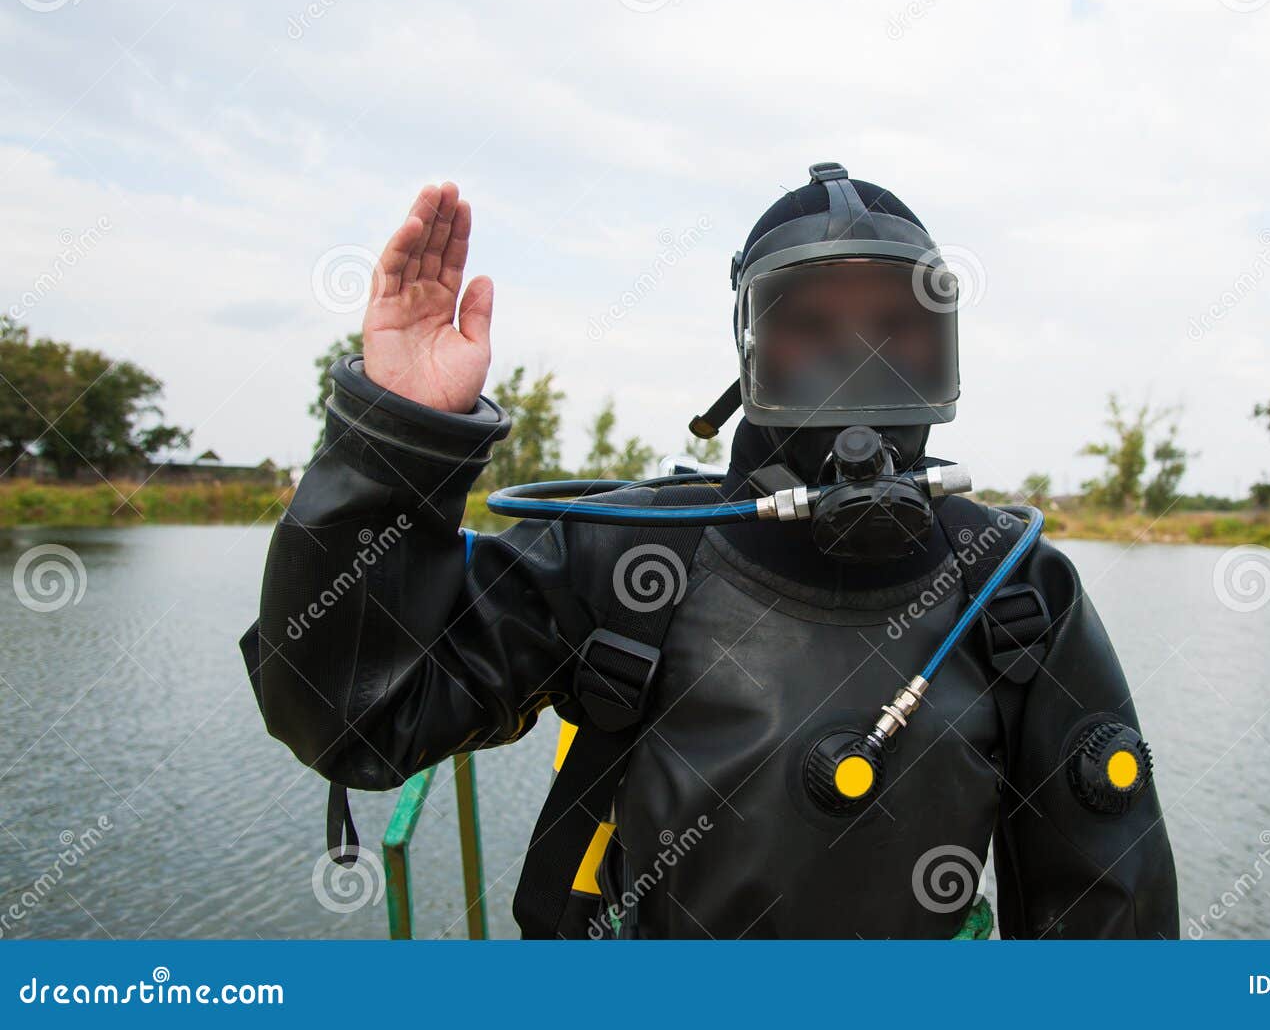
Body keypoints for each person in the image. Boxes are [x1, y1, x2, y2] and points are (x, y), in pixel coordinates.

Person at [240, 163, 1179, 939]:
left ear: (944, 356)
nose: (855, 367)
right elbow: (352, 718)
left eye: (895, 331)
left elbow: (1110, 912)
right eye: (811, 329)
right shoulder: (631, 558)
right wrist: (394, 436)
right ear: (750, 357)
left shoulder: (1011, 590)